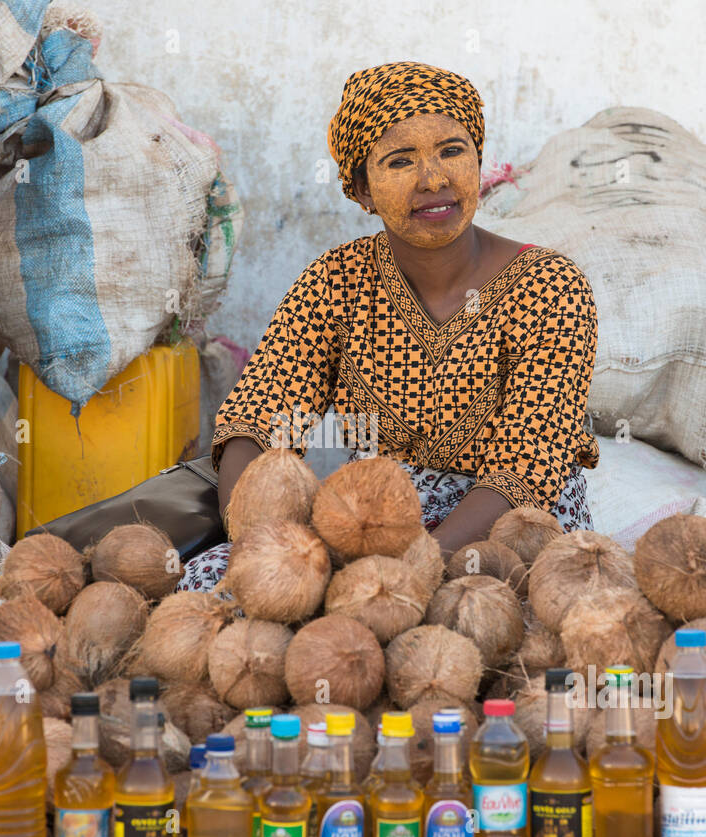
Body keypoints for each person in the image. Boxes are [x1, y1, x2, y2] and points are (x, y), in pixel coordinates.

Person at [178, 61, 599, 593]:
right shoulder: (336, 282)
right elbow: (260, 420)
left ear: (478, 160)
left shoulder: (551, 287)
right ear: (362, 189)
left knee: (491, 612)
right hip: (370, 518)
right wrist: (259, 542)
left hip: (511, 528)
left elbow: (526, 467)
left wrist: (410, 569)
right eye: (401, 161)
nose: (434, 179)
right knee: (208, 581)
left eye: (452, 151)